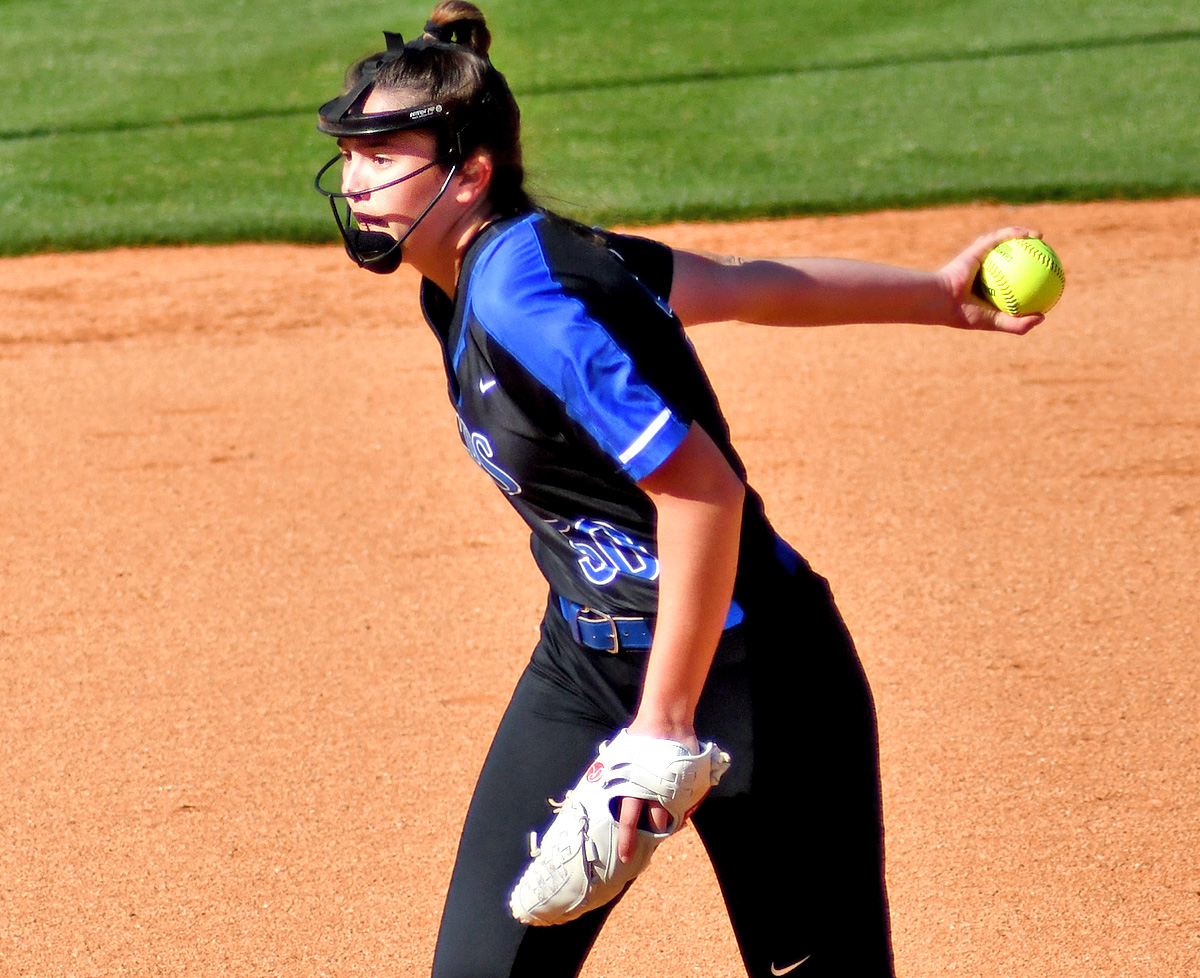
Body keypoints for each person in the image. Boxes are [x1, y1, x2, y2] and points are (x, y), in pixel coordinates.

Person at [313, 4, 1043, 976]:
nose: (355, 182)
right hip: (583, 667)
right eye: (351, 155)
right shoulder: (464, 275)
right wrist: (935, 298)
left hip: (760, 677)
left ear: (470, 172)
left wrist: (663, 729)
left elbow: (703, 491)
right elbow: (737, 286)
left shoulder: (526, 301)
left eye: (380, 155)